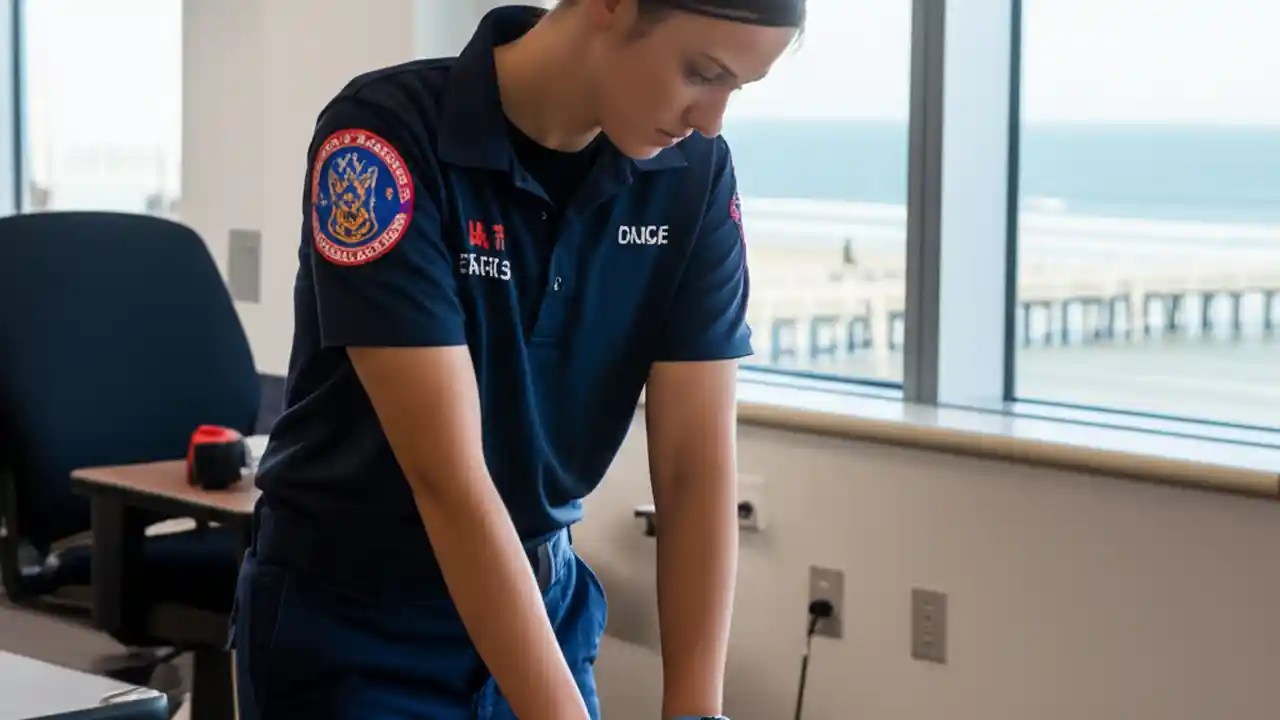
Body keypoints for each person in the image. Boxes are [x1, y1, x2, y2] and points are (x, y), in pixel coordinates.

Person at [229, 1, 804, 718]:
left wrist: (695, 710)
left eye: (735, 90)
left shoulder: (693, 175)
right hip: (360, 628)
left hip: (542, 603)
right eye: (702, 74)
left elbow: (693, 467)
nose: (710, 118)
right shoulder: (384, 137)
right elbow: (449, 480)